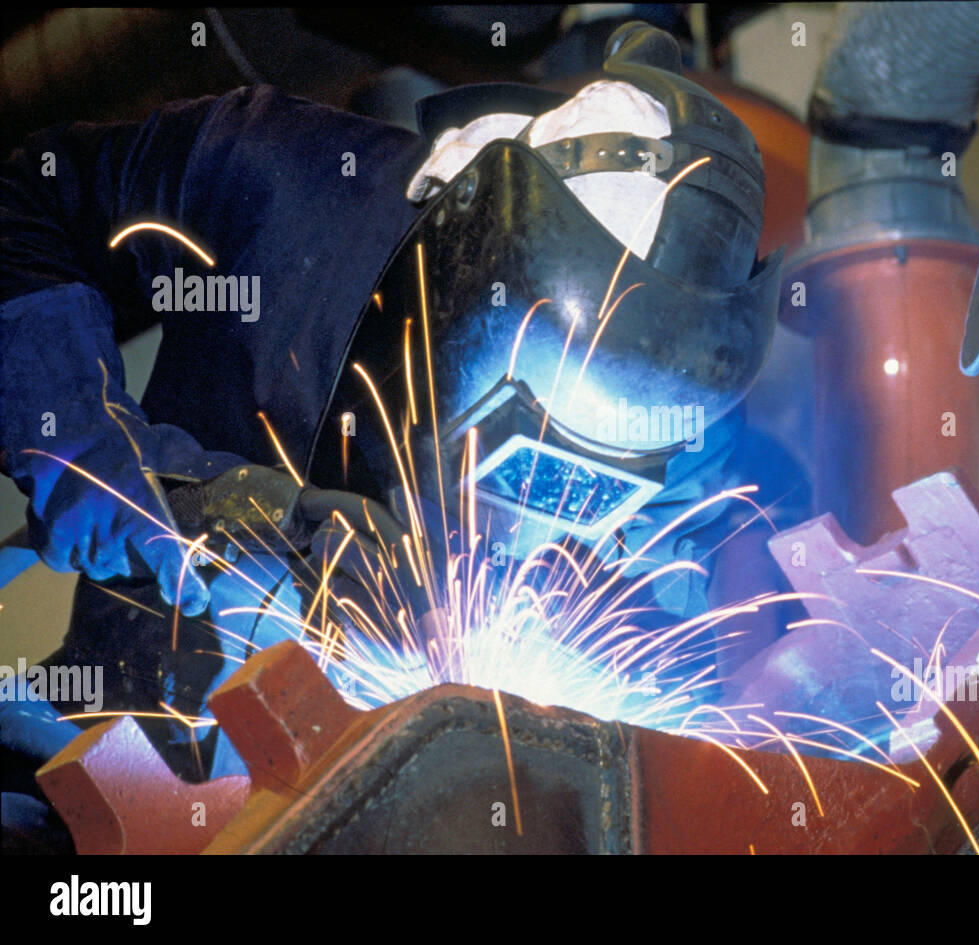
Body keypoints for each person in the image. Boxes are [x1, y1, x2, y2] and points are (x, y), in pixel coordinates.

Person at [0, 21, 786, 827]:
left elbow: (667, 633)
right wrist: (88, 447)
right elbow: (25, 203)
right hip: (114, 750)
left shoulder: (689, 420)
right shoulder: (280, 176)